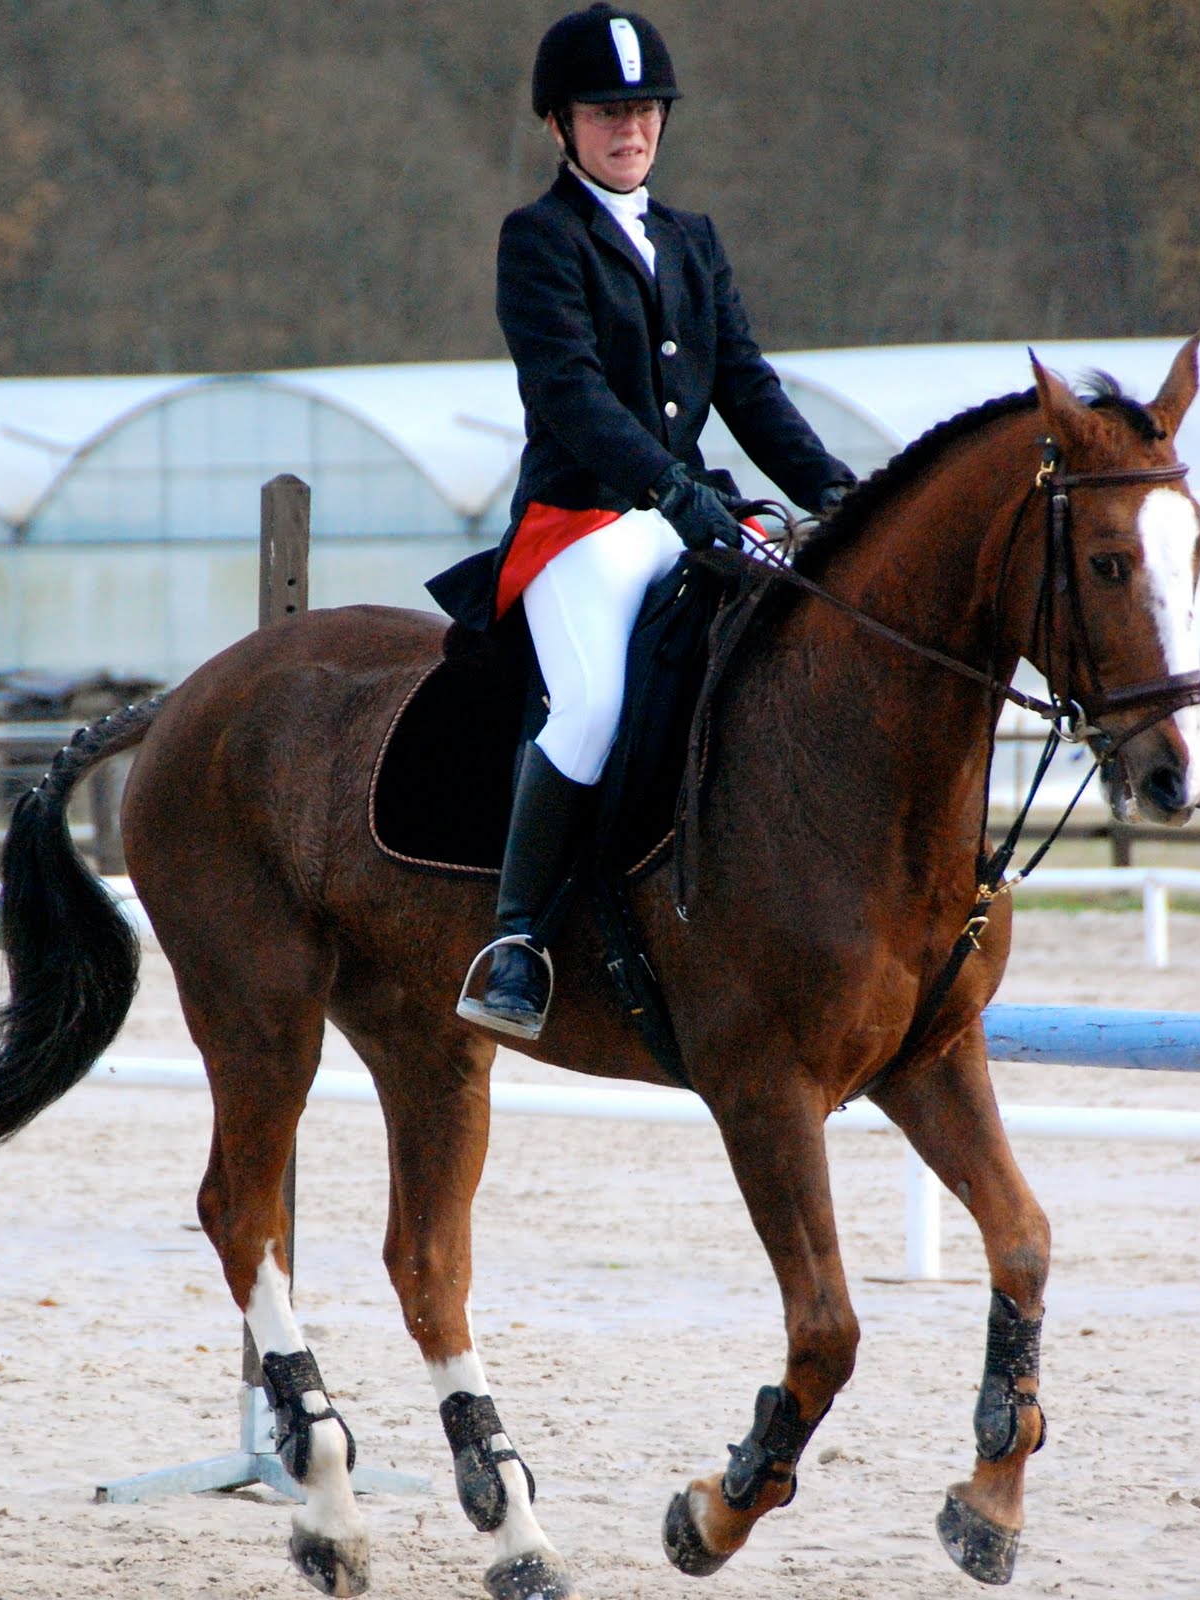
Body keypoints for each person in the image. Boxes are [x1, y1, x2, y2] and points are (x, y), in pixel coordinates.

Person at [432, 3, 856, 1042]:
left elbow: (747, 385)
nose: (630, 129)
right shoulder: (539, 239)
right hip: (582, 524)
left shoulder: (690, 239)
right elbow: (570, 390)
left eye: (645, 110)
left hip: (690, 512)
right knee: (590, 705)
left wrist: (839, 492)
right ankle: (518, 939)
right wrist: (670, 486)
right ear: (560, 125)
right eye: (605, 112)